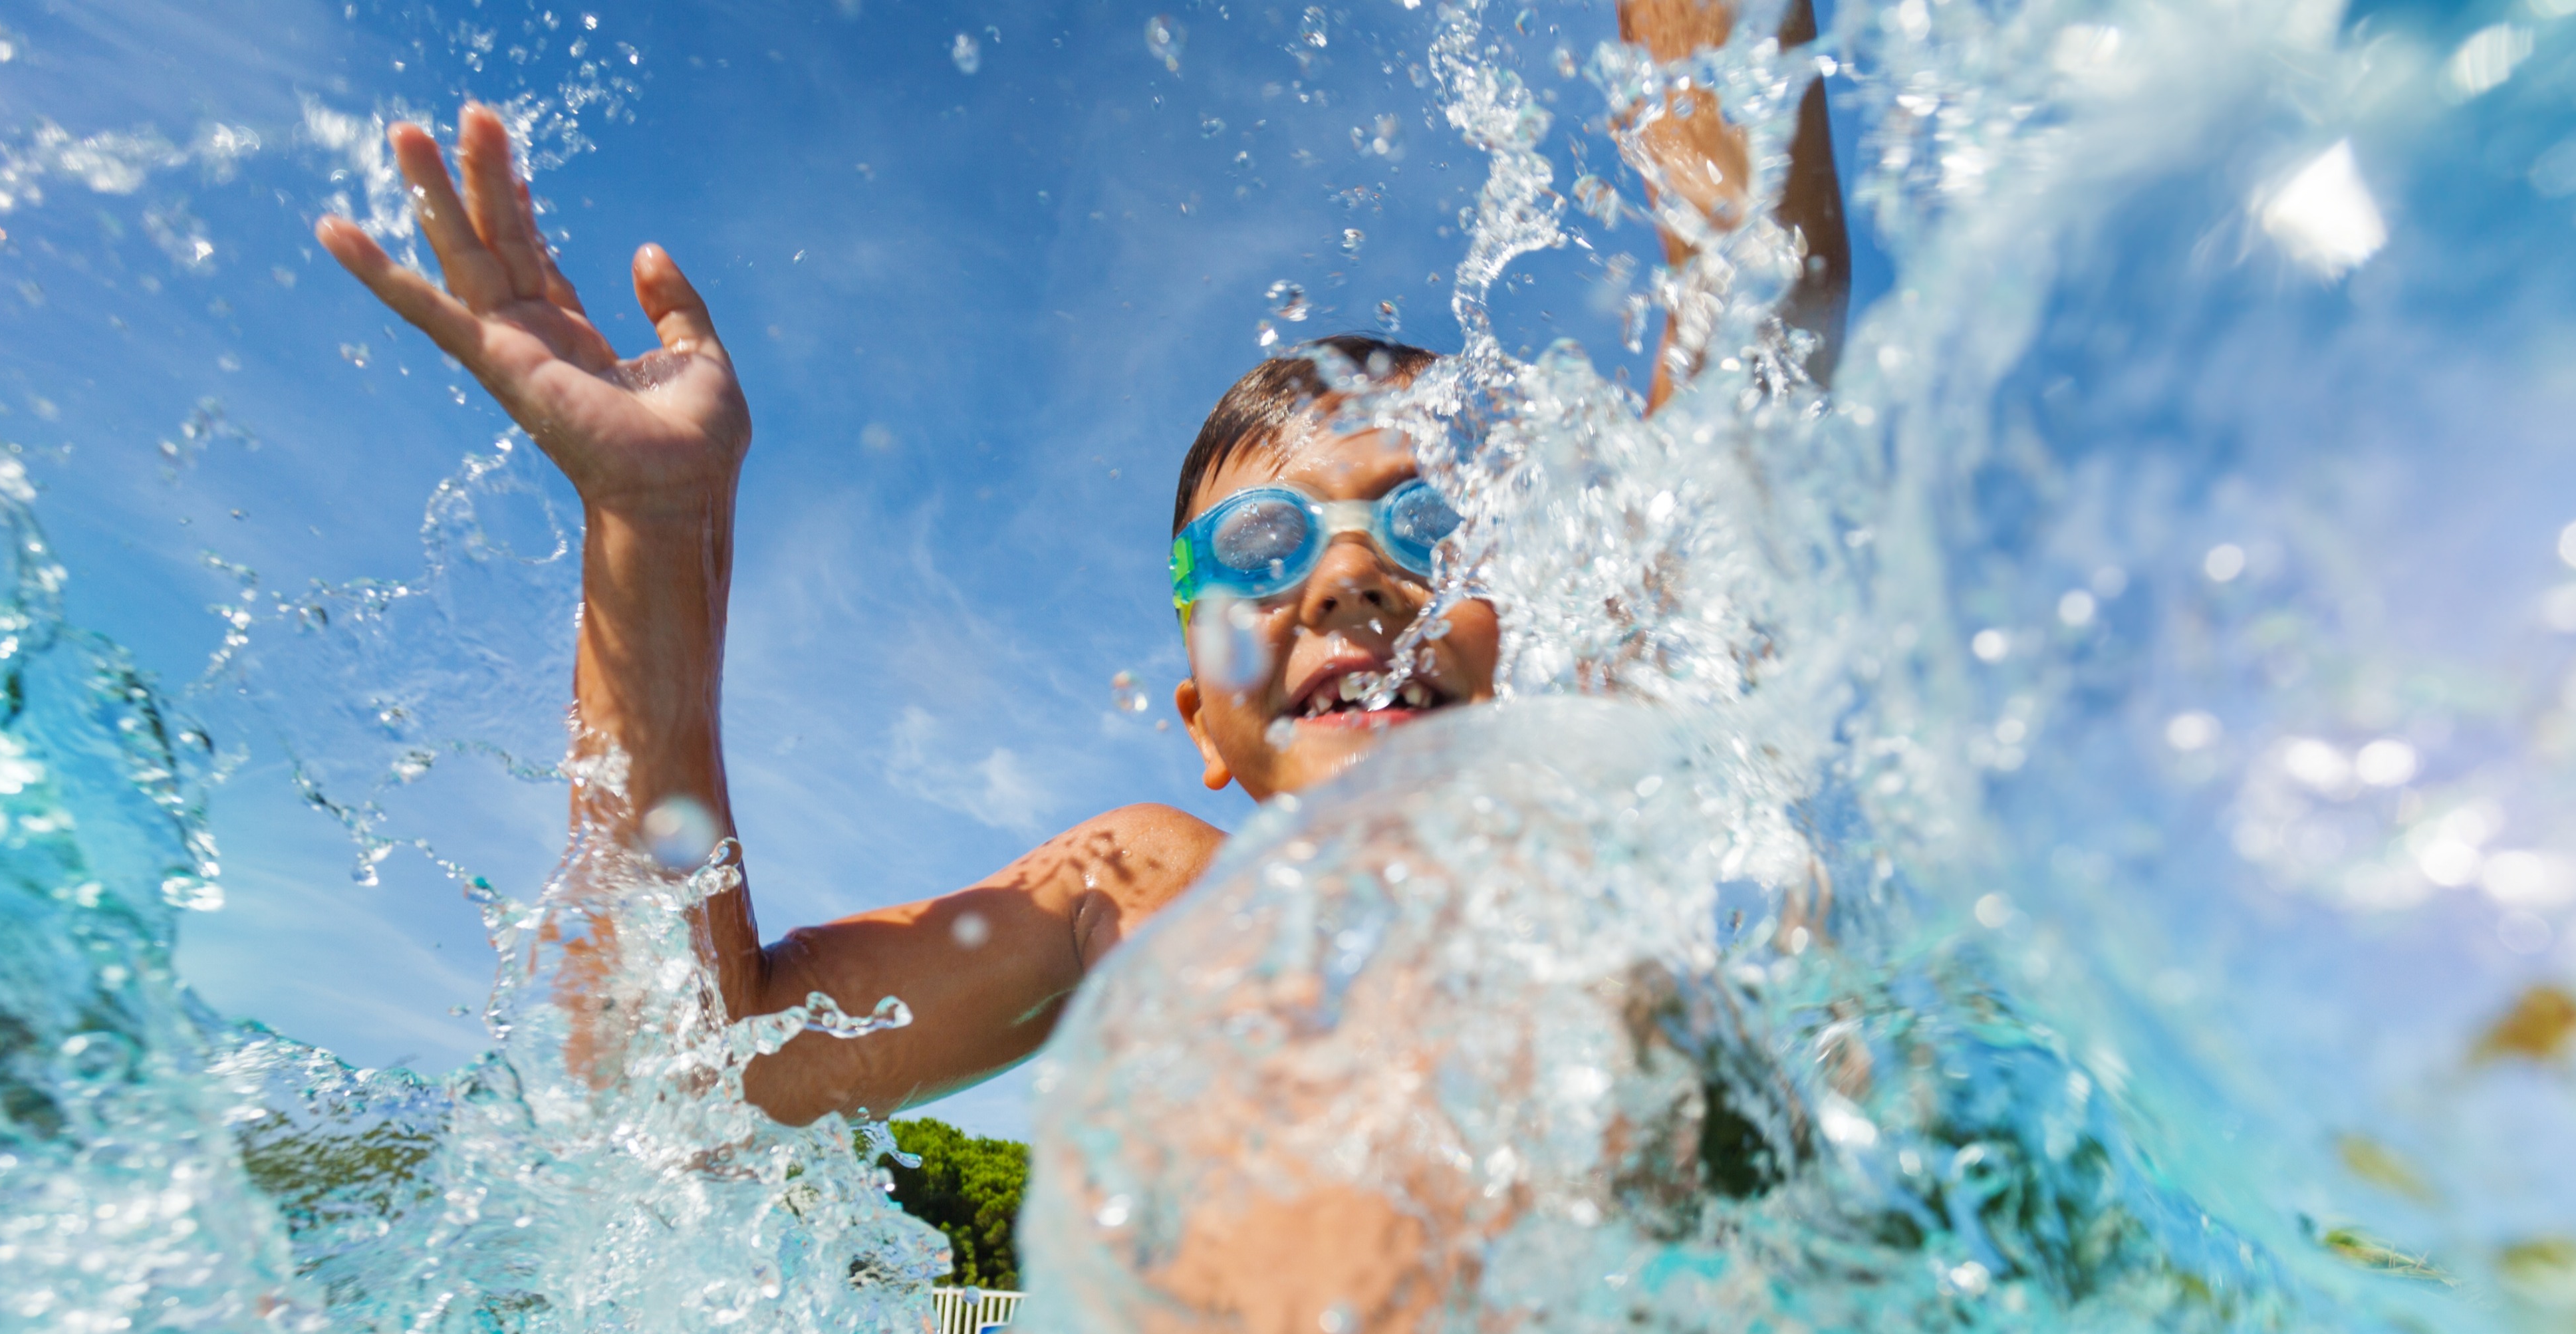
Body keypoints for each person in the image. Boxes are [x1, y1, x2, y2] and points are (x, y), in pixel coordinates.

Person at [313, 1, 1845, 1127]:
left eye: (1435, 527)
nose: (1361, 577)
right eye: (1264, 549)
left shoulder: (1626, 843)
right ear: (1205, 724)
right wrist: (650, 541)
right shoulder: (1144, 891)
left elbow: (1754, 357)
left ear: (1529, 629)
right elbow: (688, 1068)